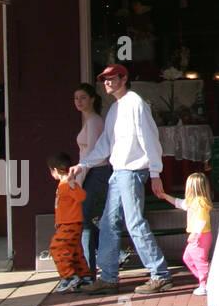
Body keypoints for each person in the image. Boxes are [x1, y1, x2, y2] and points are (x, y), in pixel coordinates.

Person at [72, 64, 174, 294]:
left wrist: (155, 172)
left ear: (123, 79)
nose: (106, 82)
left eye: (111, 78)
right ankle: (108, 276)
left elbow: (149, 138)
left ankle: (160, 274)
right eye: (104, 79)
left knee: (134, 222)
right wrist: (82, 164)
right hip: (119, 172)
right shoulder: (115, 109)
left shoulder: (135, 103)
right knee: (109, 224)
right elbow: (105, 145)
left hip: (131, 172)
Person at [73, 82, 110, 281]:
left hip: (95, 172)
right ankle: (105, 251)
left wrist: (77, 180)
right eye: (76, 98)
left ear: (92, 99)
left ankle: (89, 271)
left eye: (83, 98)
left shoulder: (94, 121)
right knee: (84, 219)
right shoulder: (90, 121)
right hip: (91, 171)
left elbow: (91, 154)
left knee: (83, 220)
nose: (79, 102)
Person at [159, 172, 214, 296]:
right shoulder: (194, 201)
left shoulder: (201, 203)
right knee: (188, 258)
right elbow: (179, 203)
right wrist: (165, 196)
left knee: (199, 260)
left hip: (200, 236)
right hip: (199, 236)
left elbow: (201, 219)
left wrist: (194, 233)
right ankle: (206, 278)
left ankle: (204, 283)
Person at [47, 152, 91, 292]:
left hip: (70, 224)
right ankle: (84, 277)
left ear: (55, 170)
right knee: (75, 251)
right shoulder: (65, 184)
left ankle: (68, 276)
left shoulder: (67, 184)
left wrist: (72, 185)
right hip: (68, 222)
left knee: (56, 248)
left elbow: (81, 196)